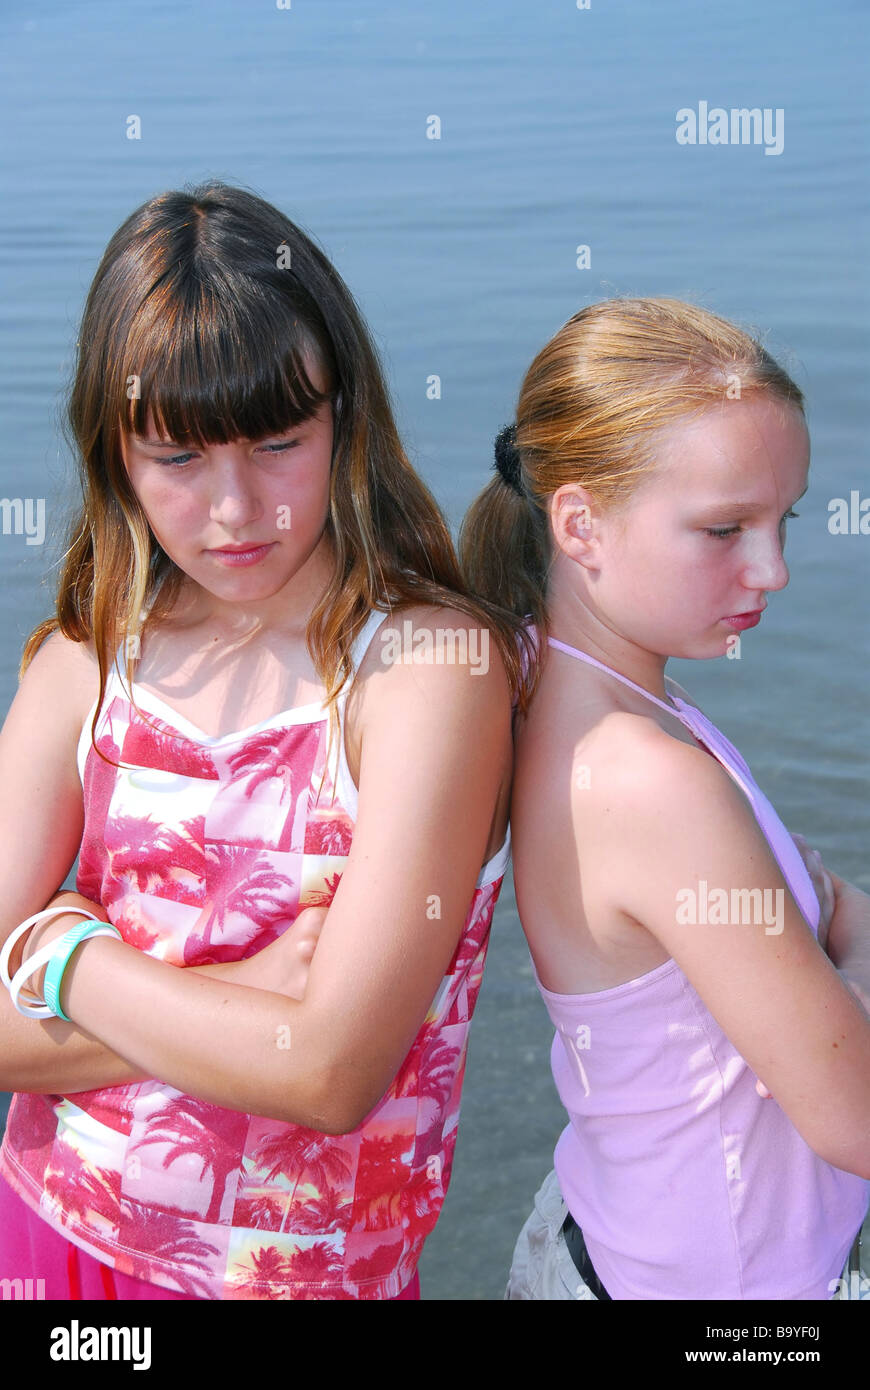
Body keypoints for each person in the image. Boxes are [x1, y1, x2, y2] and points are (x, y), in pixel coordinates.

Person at [0, 181, 520, 1300]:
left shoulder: (428, 673)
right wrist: (238, 988)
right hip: (52, 1244)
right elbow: (287, 1045)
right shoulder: (82, 666)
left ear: (348, 418)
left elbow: (333, 1072)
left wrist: (60, 960)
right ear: (113, 453)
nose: (235, 509)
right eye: (176, 460)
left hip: (310, 1278)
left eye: (278, 442)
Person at [459, 296, 870, 1300]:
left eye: (785, 519)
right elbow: (854, 1112)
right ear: (581, 522)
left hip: (620, 1240)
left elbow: (822, 917)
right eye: (724, 527)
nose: (772, 569)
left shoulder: (575, 682)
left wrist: (829, 957)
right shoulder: (643, 776)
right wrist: (837, 961)